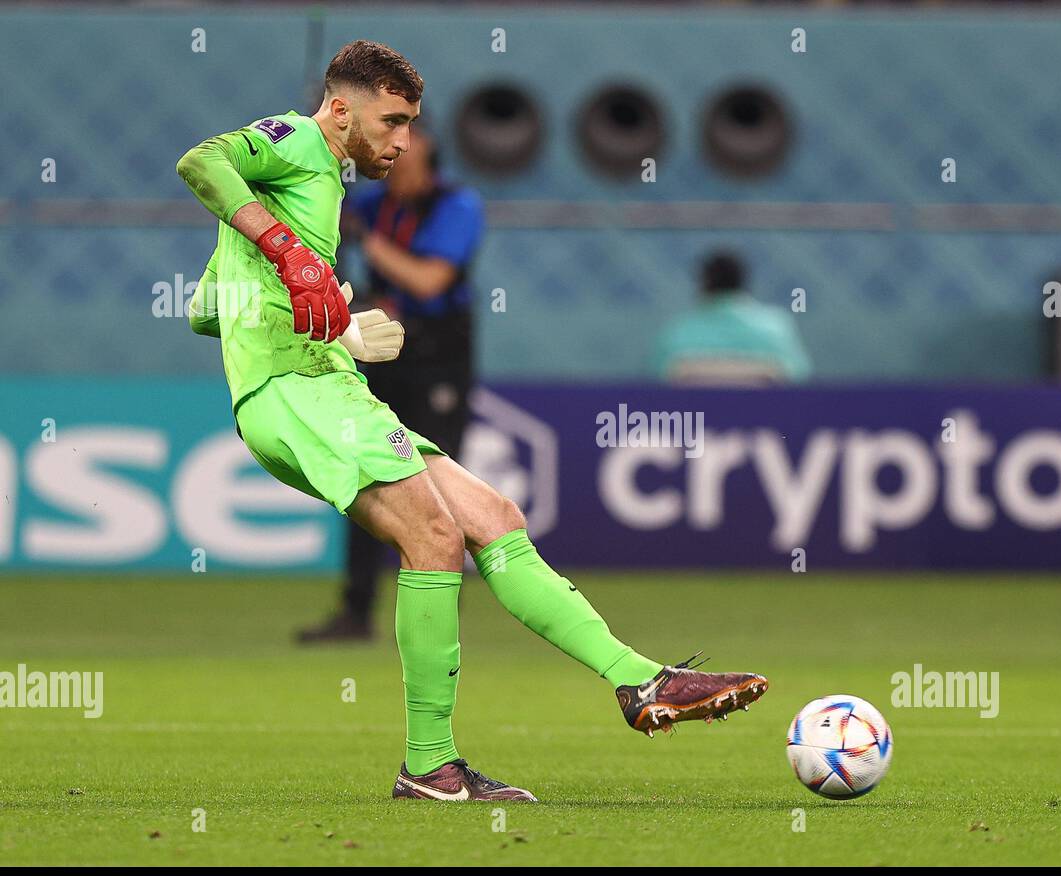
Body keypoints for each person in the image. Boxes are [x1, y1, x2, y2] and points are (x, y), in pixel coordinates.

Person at [176, 40, 767, 801]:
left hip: (322, 379)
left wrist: (336, 327)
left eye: (410, 124)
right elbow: (200, 160)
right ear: (339, 109)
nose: (403, 141)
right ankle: (430, 764)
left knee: (493, 516)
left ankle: (640, 681)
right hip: (297, 392)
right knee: (433, 537)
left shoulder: (317, 184)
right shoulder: (293, 142)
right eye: (391, 122)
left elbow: (205, 310)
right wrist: (287, 250)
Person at [298, 121, 481, 642]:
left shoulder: (456, 206)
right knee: (367, 478)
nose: (395, 147)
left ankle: (436, 618)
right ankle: (355, 612)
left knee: (438, 487)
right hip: (383, 358)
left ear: (427, 146)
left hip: (438, 363)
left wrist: (367, 241)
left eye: (406, 135)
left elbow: (429, 279)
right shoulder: (371, 205)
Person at [654, 251, 812, 385]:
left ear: (704, 284)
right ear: (743, 282)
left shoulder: (678, 332)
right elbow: (800, 379)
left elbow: (654, 382)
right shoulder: (777, 326)